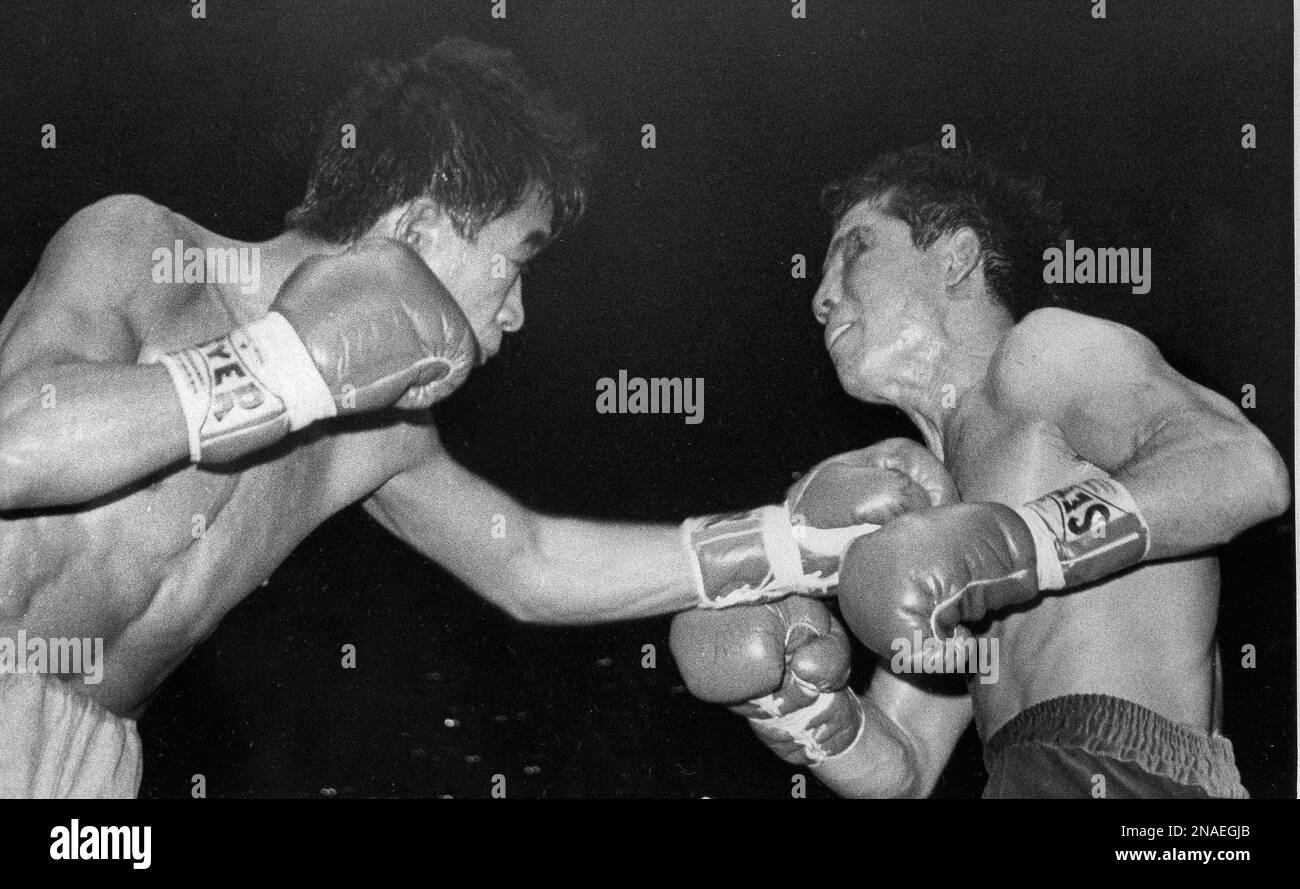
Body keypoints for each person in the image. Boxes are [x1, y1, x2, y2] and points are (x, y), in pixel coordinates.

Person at [0, 38, 930, 798]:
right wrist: (280, 367)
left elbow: (528, 562)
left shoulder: (374, 435)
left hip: (90, 763)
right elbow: (15, 443)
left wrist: (789, 539)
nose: (519, 313)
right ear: (416, 228)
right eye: (514, 260)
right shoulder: (141, 247)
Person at [671, 144, 1290, 798]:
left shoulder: (1041, 352)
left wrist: (1014, 547)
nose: (823, 297)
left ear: (955, 257)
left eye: (855, 249)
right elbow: (903, 766)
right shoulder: (932, 511)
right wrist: (797, 706)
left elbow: (1245, 466)